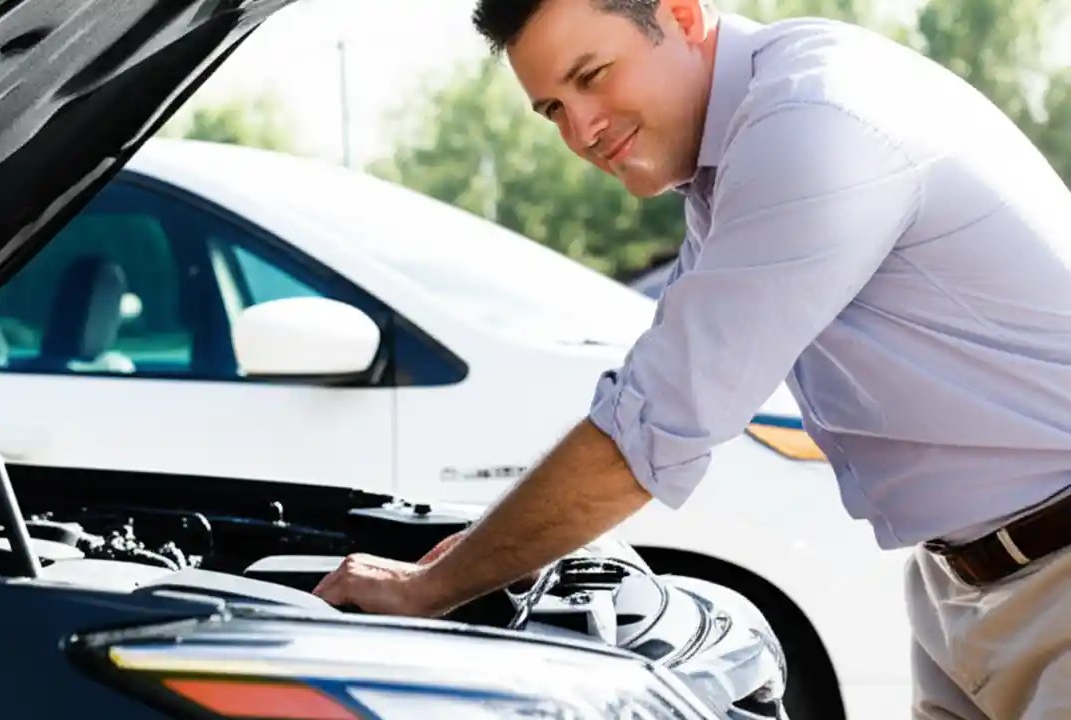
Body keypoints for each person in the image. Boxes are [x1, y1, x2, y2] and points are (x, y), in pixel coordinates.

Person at [312, 0, 1071, 717]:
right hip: (972, 581)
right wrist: (491, 548)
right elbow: (653, 382)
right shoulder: (741, 143)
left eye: (591, 76)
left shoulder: (815, 124)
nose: (581, 130)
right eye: (552, 109)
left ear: (679, 13)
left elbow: (658, 423)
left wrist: (432, 587)